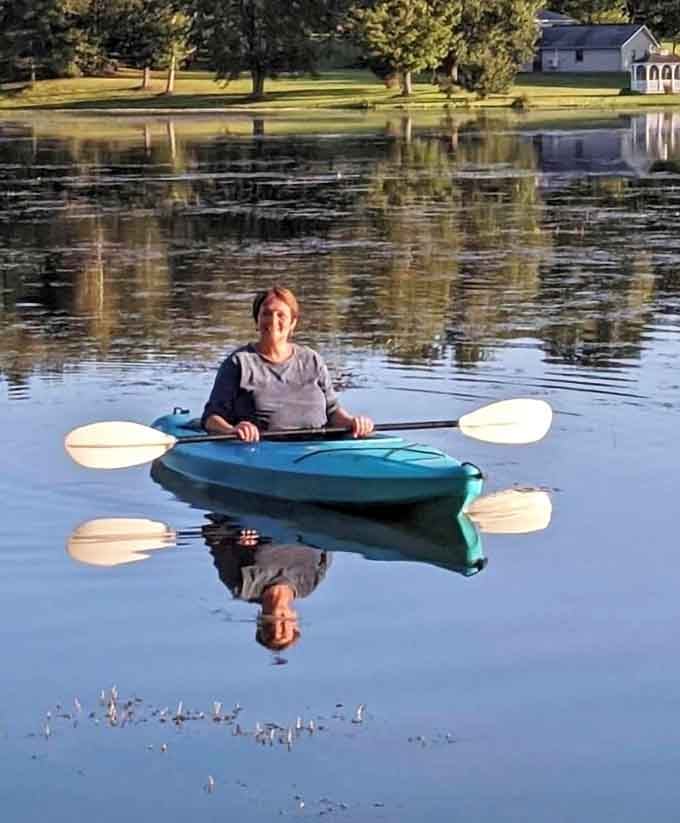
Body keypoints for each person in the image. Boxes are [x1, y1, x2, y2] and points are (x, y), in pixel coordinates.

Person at [202, 285, 374, 441]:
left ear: (293, 323)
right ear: (257, 320)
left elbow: (332, 411)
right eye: (266, 313)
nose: (273, 320)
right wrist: (232, 430)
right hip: (262, 451)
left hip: (317, 448)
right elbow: (211, 418)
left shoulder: (312, 360)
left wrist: (353, 422)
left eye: (281, 315)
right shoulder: (239, 363)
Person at [203, 515, 331, 653]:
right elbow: (331, 543)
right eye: (284, 628)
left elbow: (212, 533)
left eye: (270, 629)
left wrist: (236, 535)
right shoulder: (309, 584)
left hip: (257, 513)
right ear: (295, 620)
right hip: (307, 518)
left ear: (260, 621)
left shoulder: (243, 585)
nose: (278, 623)